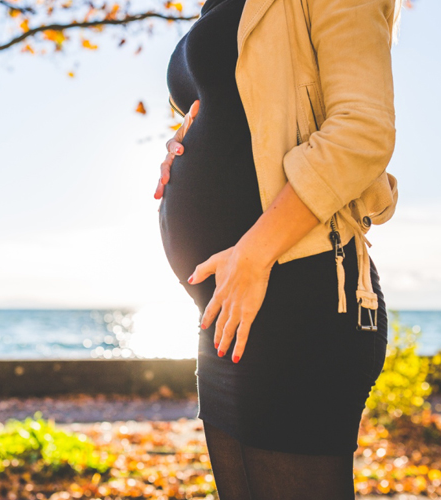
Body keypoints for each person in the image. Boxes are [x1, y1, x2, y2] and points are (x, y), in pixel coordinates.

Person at [154, 0, 401, 498]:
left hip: (299, 293)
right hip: (229, 310)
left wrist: (254, 253)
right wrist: (183, 141)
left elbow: (363, 129)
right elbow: (243, 109)